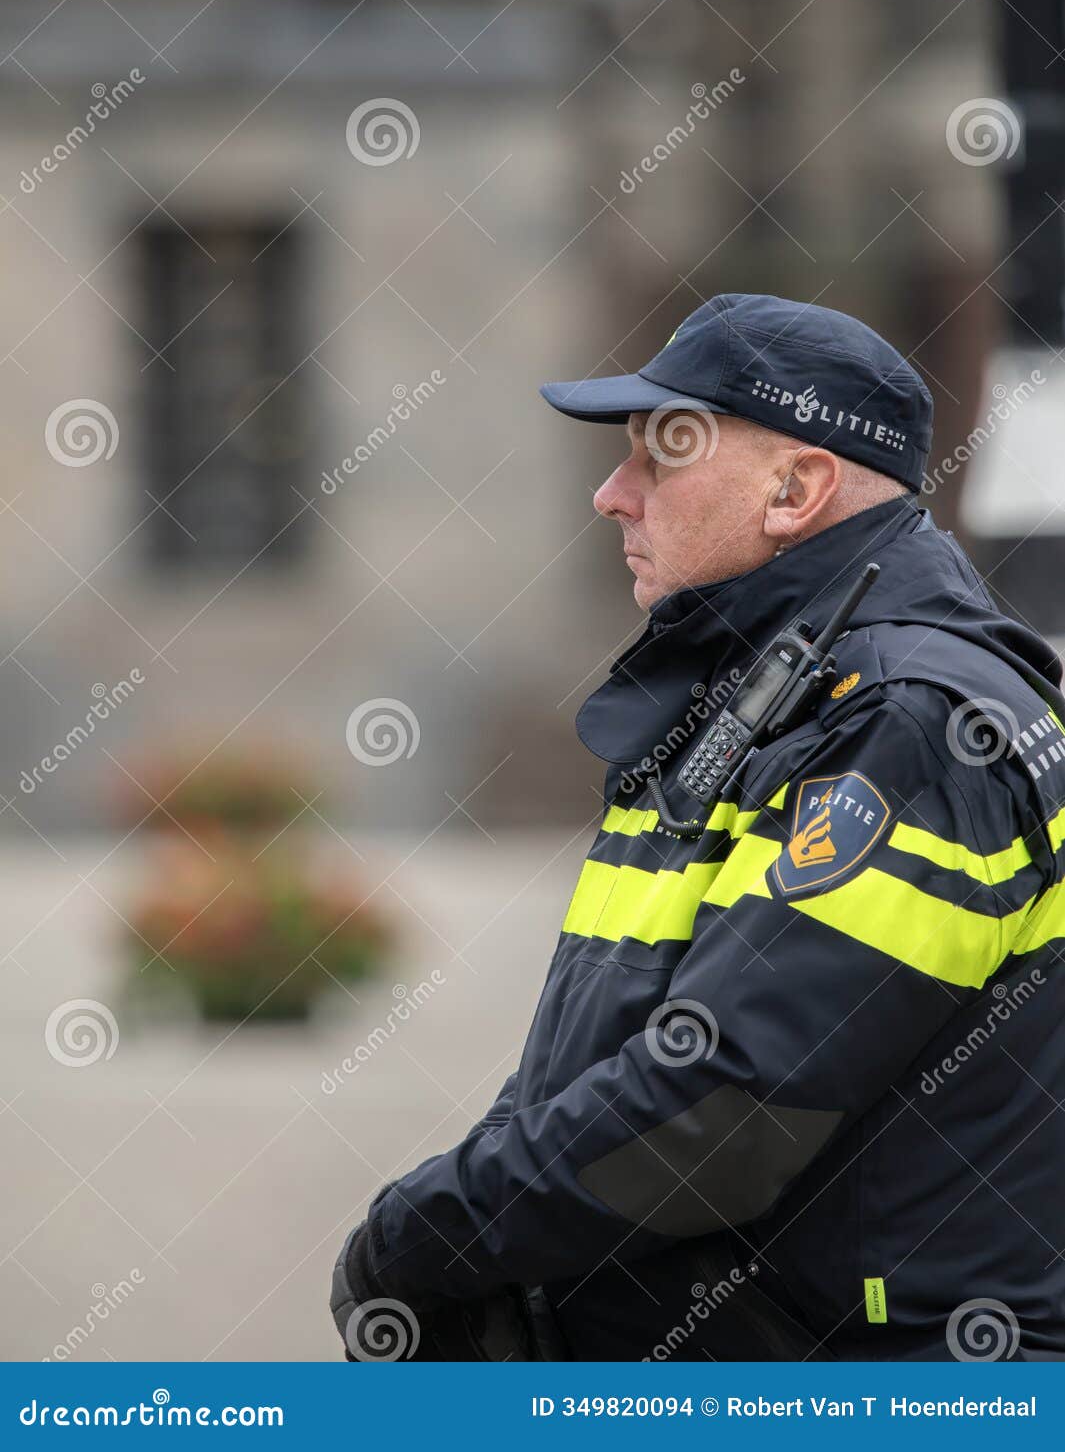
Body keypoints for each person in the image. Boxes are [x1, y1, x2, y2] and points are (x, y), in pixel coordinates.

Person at [332, 293, 1065, 1362]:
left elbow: (727, 1109)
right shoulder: (765, 689)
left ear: (794, 487)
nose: (610, 495)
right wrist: (512, 1256)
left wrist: (425, 1236)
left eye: (661, 455)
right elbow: (605, 1049)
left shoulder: (901, 720)